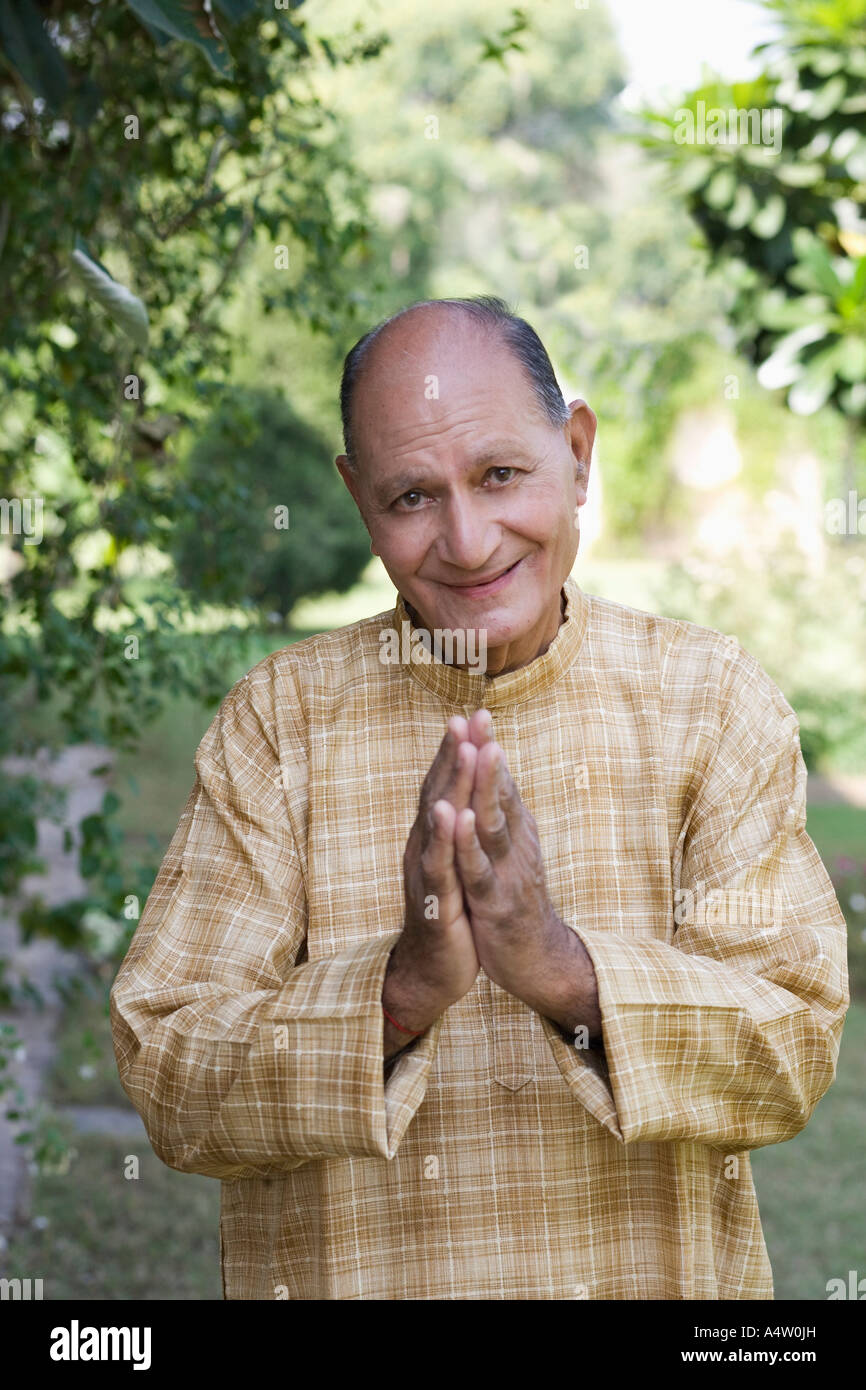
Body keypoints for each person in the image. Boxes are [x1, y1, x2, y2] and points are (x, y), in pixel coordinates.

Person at [110, 295, 849, 1300]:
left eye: (499, 475)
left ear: (576, 454)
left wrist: (560, 966)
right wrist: (400, 990)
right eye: (410, 496)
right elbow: (167, 1073)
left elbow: (790, 1046)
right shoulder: (279, 722)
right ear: (355, 495)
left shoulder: (708, 701)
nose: (464, 540)